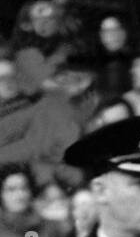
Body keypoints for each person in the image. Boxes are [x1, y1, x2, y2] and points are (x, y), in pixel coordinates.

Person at [0, 47, 80, 185]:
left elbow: (35, 147)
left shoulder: (40, 105)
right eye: (1, 78)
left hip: (38, 177)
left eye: (11, 77)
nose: (7, 82)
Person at [92, 15, 133, 97]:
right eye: (106, 32)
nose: (110, 36)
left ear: (123, 33)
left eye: (114, 31)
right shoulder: (101, 60)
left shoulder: (135, 59)